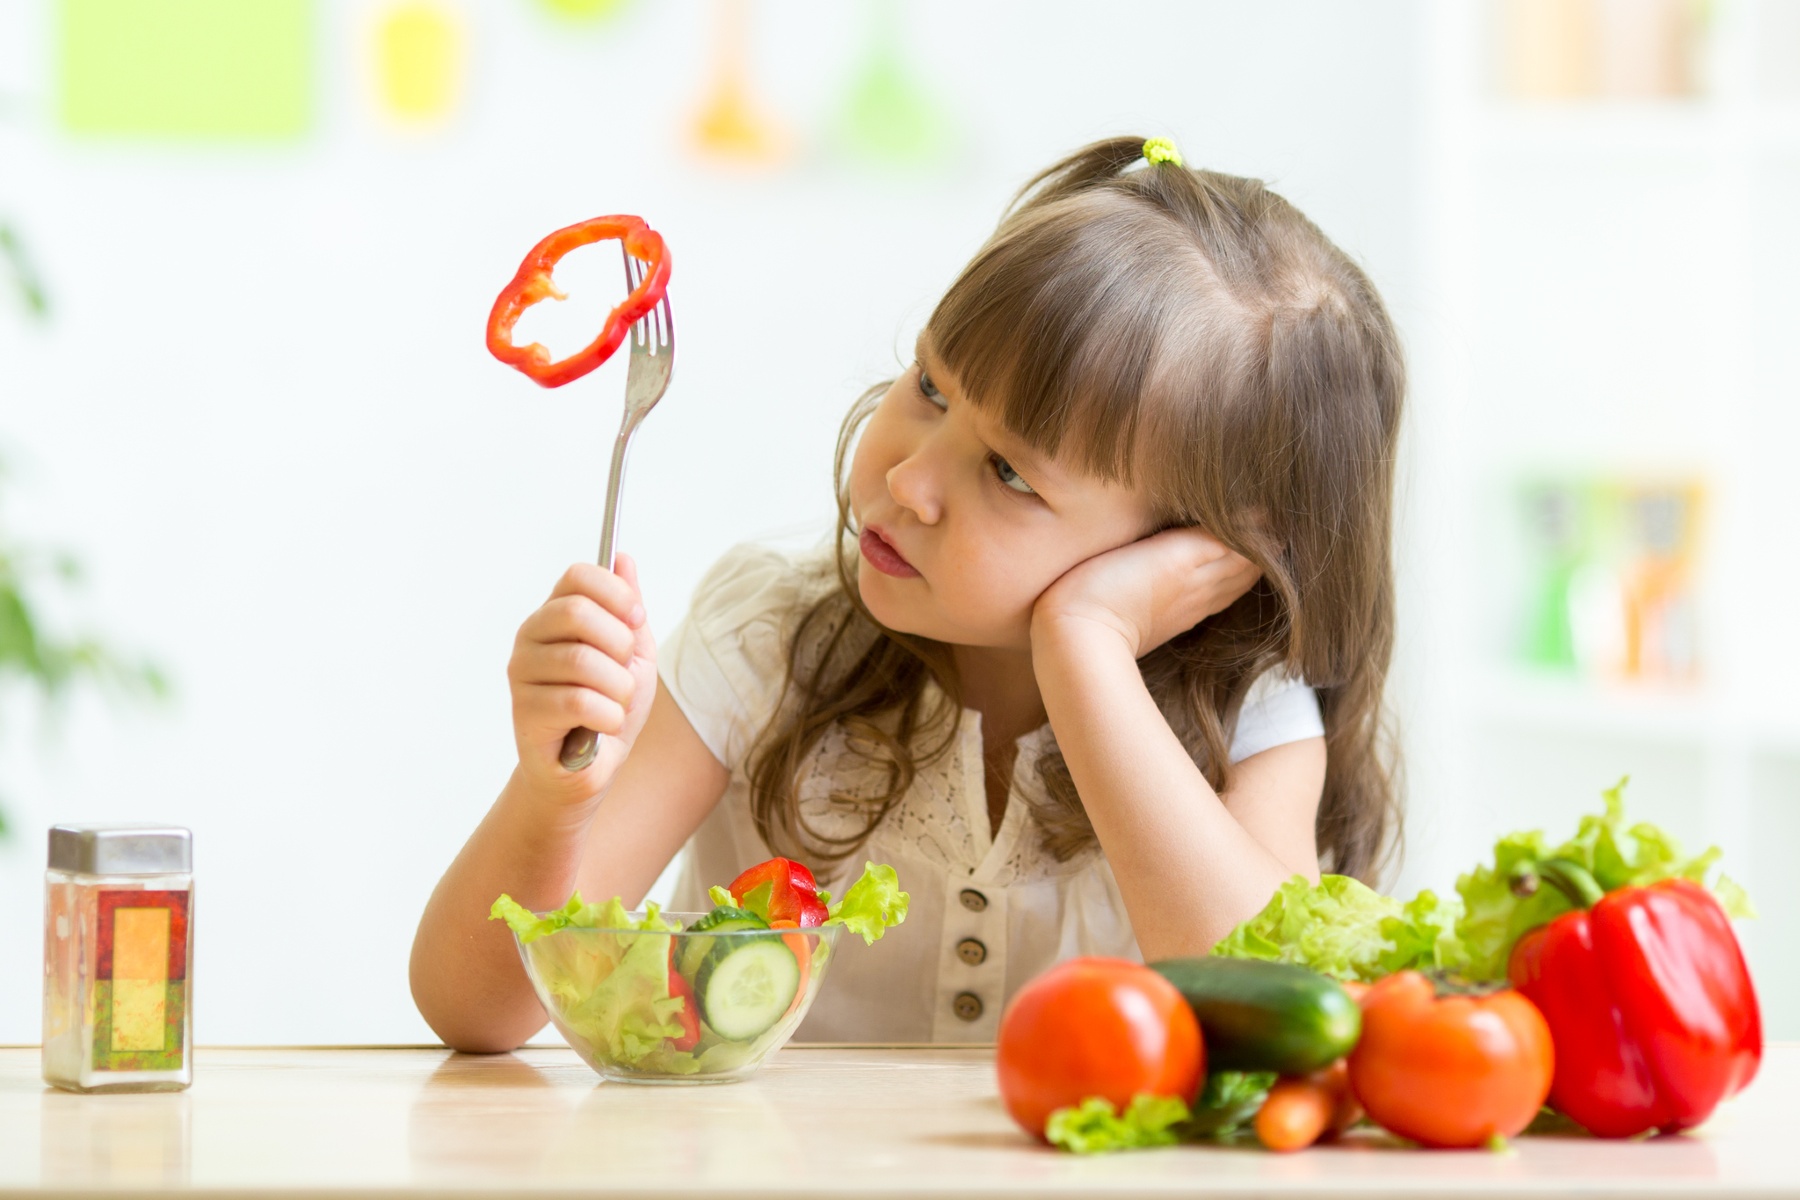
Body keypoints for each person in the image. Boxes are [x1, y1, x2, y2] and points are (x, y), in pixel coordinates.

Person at [411, 135, 1404, 1051]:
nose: (911, 481)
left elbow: (1276, 1026)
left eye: (1013, 475)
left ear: (1203, 556)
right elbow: (482, 1010)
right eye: (931, 388)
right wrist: (553, 800)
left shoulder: (1249, 712)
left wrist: (1086, 644)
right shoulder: (764, 639)